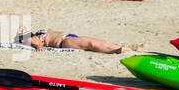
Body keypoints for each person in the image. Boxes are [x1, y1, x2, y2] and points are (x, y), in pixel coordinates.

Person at [14, 29, 142, 53]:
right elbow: (34, 44)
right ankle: (117, 50)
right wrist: (37, 47)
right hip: (64, 42)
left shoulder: (36, 34)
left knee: (101, 41)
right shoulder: (32, 40)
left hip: (70, 37)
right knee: (92, 44)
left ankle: (129, 48)